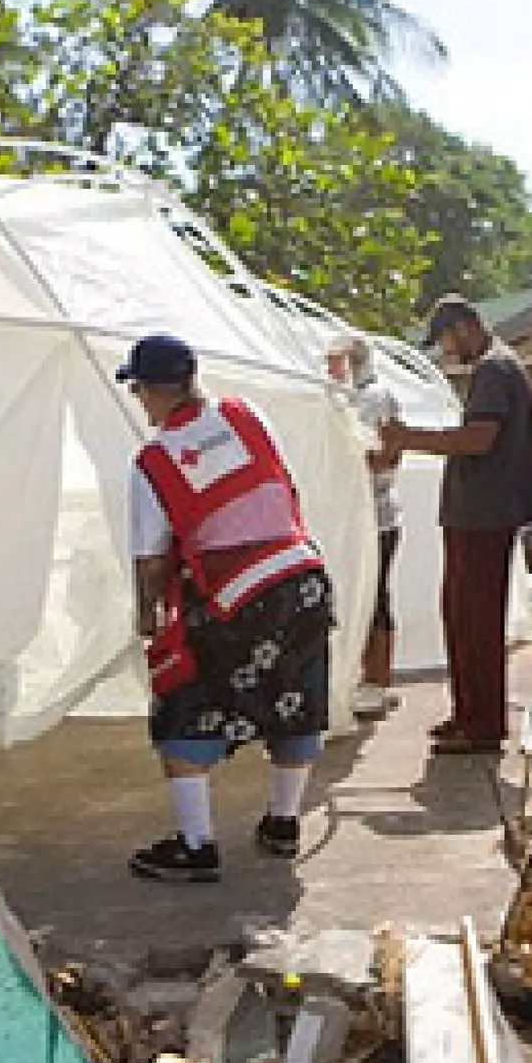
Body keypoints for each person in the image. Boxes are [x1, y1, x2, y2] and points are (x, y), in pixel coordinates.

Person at [119, 334, 334, 884]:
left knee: (185, 705)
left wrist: (148, 616)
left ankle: (195, 846)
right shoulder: (246, 415)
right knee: (295, 695)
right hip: (303, 579)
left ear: (149, 391)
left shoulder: (155, 461)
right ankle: (283, 824)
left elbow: (151, 558)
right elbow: (283, 485)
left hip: (237, 596)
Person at [380, 295, 532, 756]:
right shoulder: (494, 368)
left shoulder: (494, 369)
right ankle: (468, 712)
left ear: (468, 326)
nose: (448, 351)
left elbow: (478, 438)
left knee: (476, 620)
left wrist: (409, 438)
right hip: (475, 514)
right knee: (459, 615)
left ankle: (483, 726)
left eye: (449, 339)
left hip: (486, 515)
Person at [324, 332, 402, 719]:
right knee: (361, 593)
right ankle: (366, 678)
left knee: (375, 596)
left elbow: (384, 455)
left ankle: (378, 681)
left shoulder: (374, 398)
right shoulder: (347, 399)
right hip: (358, 515)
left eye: (335, 362)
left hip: (376, 514)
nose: (329, 370)